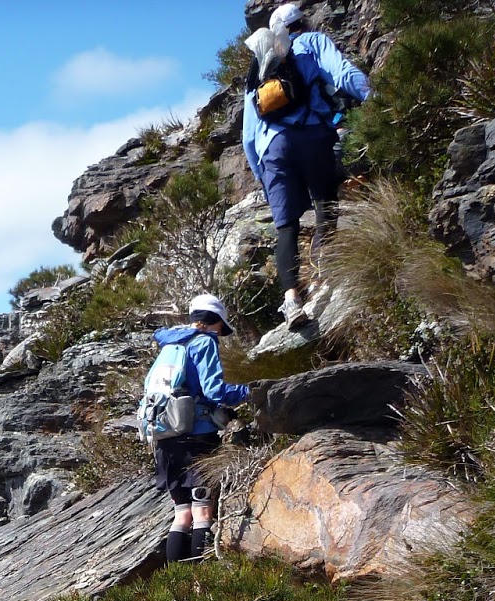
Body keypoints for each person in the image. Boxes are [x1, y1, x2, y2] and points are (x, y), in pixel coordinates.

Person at [242, 2, 370, 330]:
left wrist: (261, 174)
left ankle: (290, 298)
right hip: (312, 135)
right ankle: (326, 272)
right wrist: (375, 96)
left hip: (273, 149)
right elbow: (341, 74)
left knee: (286, 227)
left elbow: (247, 135)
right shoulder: (313, 43)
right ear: (304, 21)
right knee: (325, 202)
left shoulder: (259, 65)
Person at [151, 294, 249, 562]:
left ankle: (176, 584)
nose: (221, 334)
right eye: (221, 328)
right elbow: (215, 391)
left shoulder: (169, 342)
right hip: (197, 438)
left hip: (165, 437)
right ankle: (200, 580)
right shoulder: (204, 342)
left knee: (181, 514)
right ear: (215, 321)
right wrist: (250, 391)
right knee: (202, 512)